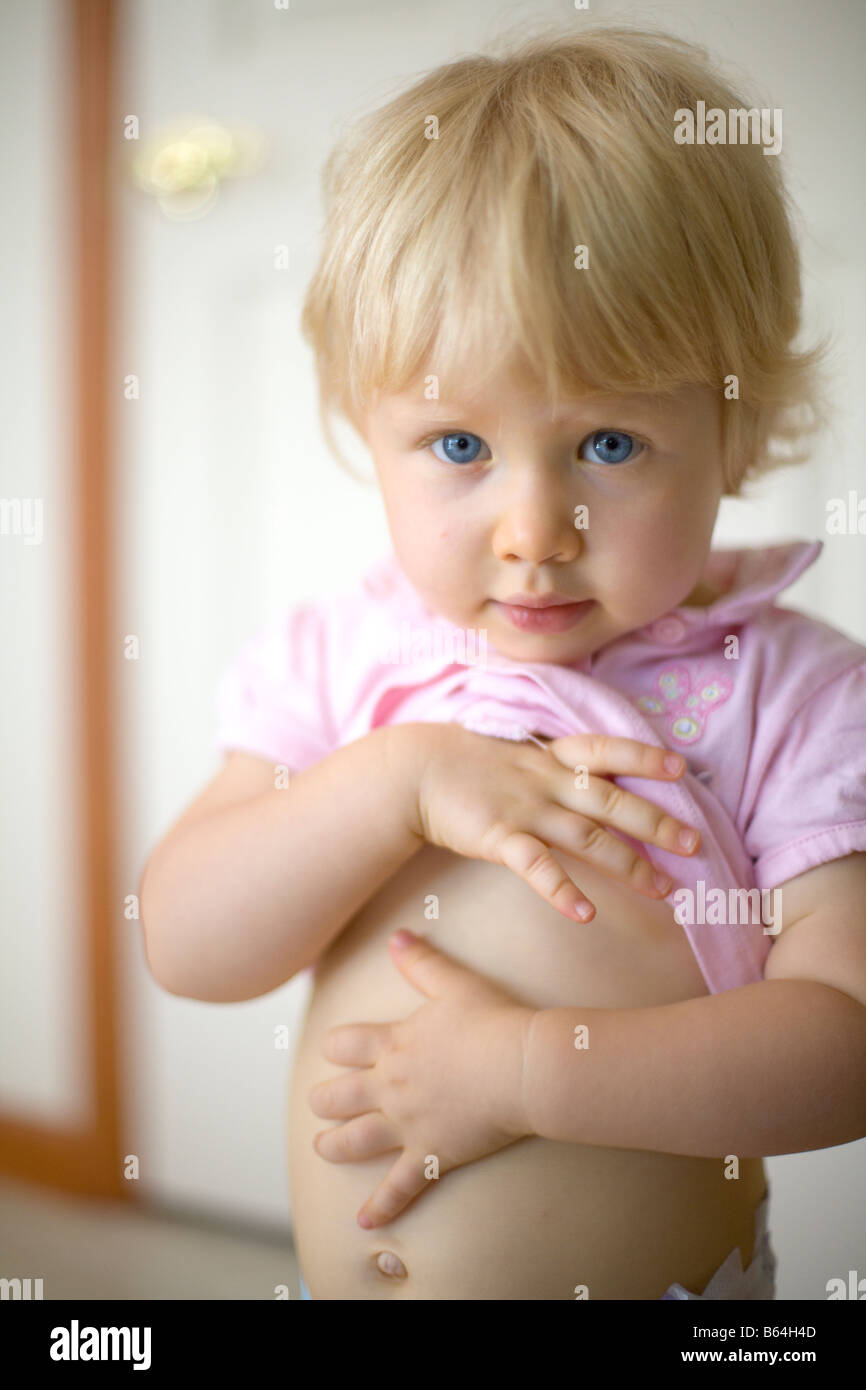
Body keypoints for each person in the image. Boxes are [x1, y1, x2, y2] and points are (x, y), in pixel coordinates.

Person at [139, 24, 866, 1300]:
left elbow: (842, 1047)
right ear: (367, 426)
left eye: (607, 444)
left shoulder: (788, 693)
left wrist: (528, 1069)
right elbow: (190, 942)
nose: (533, 533)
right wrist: (393, 783)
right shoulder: (342, 660)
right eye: (458, 446)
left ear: (734, 427)